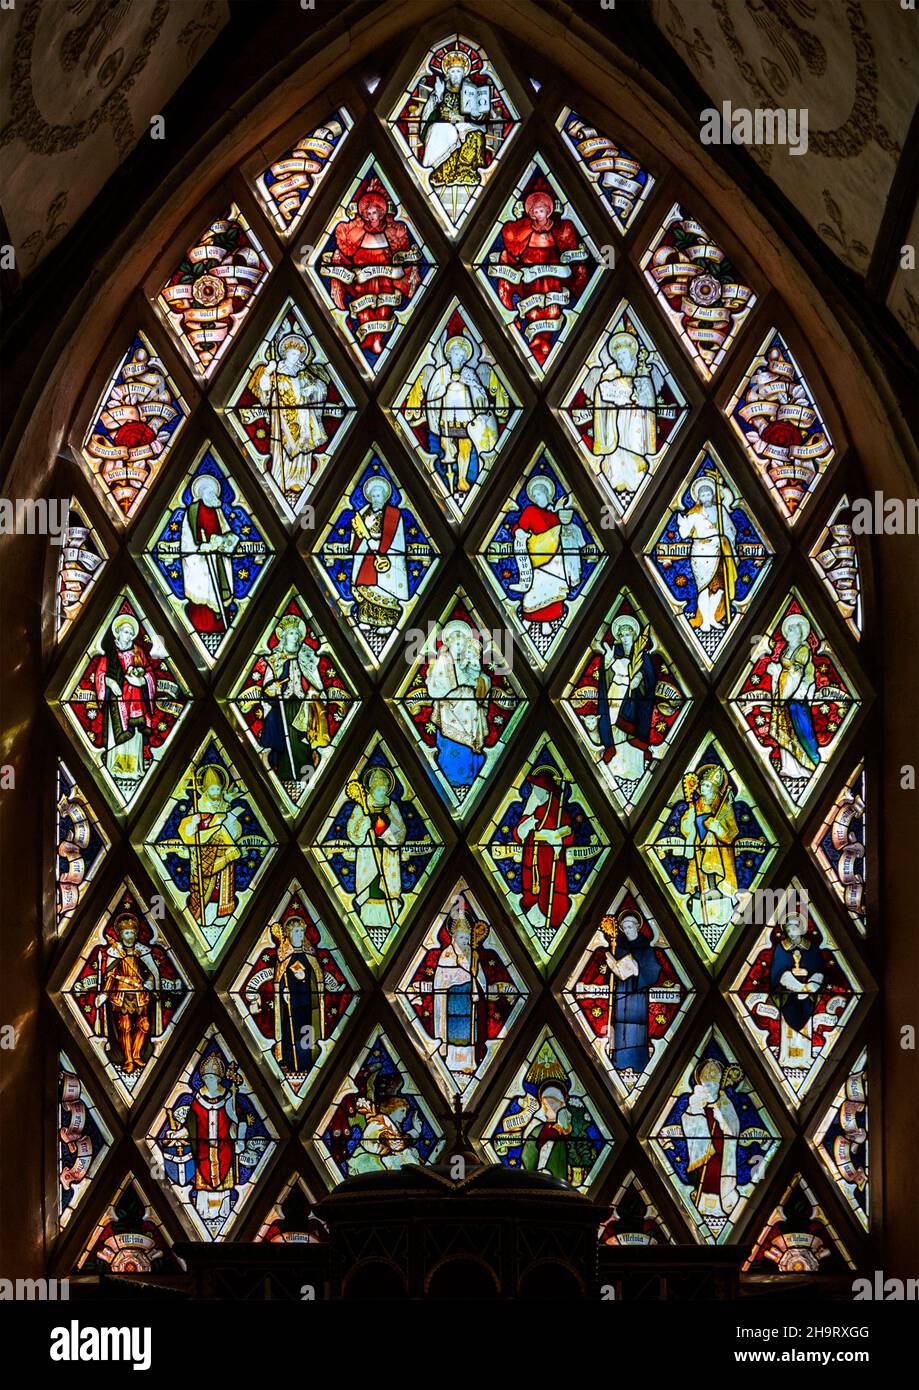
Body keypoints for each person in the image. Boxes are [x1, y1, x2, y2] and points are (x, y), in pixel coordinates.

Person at [492, 178, 589, 365]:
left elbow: (567, 248)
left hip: (553, 275)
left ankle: (546, 335)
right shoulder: (526, 229)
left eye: (542, 210)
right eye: (535, 212)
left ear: (549, 211)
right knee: (534, 307)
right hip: (531, 276)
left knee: (552, 305)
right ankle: (535, 334)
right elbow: (513, 244)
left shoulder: (559, 228)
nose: (539, 214)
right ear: (531, 213)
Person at [326, 177, 420, 358]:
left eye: (374, 213)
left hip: (385, 276)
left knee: (384, 302)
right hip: (363, 275)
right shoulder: (358, 231)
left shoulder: (391, 231)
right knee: (364, 306)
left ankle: (378, 337)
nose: (371, 217)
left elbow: (400, 250)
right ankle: (368, 336)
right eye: (367, 213)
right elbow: (348, 249)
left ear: (382, 212)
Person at [404, 329, 505, 497]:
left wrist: (470, 384)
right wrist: (444, 386)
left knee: (465, 449)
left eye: (462, 355)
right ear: (449, 355)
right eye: (456, 354)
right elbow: (432, 394)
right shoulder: (441, 372)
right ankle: (446, 482)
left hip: (467, 420)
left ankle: (462, 480)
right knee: (447, 449)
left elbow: (481, 393)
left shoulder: (469, 373)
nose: (460, 358)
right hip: (446, 419)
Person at [240, 614, 333, 783]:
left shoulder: (307, 657)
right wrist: (272, 689)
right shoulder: (275, 659)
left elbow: (315, 682)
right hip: (280, 709)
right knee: (284, 741)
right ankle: (285, 775)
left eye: (297, 633)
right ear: (283, 636)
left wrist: (314, 693)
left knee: (302, 743)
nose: (295, 636)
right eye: (291, 633)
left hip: (302, 708)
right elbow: (267, 686)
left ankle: (306, 778)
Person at [244, 330, 330, 502]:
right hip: (281, 420)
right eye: (292, 353)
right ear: (285, 353)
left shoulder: (304, 372)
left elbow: (321, 388)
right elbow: (264, 388)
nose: (295, 357)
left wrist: (313, 389)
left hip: (304, 421)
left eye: (298, 354)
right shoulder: (277, 370)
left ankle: (300, 481)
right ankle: (281, 481)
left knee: (303, 452)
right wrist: (268, 372)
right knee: (281, 449)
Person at [88, 911, 163, 1076]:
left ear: (136, 934)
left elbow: (151, 971)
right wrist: (104, 994)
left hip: (140, 995)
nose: (129, 936)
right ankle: (128, 1059)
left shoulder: (142, 951)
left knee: (144, 1026)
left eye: (132, 932)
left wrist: (150, 982)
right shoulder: (115, 952)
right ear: (121, 935)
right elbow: (109, 975)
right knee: (125, 1027)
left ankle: (137, 1055)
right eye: (126, 933)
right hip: (121, 995)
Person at [508, 475, 583, 637]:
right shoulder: (530, 511)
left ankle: (548, 622)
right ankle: (529, 617)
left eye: (540, 494)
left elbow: (562, 530)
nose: (537, 498)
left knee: (554, 587)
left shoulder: (555, 514)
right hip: (537, 554)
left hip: (556, 557)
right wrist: (519, 532)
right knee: (535, 586)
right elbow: (518, 527)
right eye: (534, 496)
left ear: (548, 495)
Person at [424, 618, 491, 789]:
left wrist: (479, 682)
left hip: (470, 715)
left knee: (468, 750)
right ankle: (451, 780)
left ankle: (469, 779)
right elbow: (436, 687)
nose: (460, 648)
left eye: (463, 644)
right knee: (451, 748)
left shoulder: (470, 660)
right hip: (449, 713)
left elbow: (482, 679)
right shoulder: (444, 661)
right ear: (449, 643)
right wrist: (462, 680)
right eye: (457, 644)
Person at [269, 916, 339, 1075]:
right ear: (288, 933)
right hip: (290, 1004)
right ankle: (289, 1062)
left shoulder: (310, 955)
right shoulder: (283, 956)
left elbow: (317, 978)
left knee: (307, 1032)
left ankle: (307, 1062)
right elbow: (279, 979)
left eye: (301, 931)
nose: (300, 934)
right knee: (289, 1031)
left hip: (307, 1002)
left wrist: (306, 978)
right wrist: (282, 991)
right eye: (296, 931)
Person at [590, 330, 658, 494]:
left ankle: (635, 481)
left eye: (624, 354)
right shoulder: (609, 374)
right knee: (618, 451)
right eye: (618, 355)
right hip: (617, 419)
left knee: (634, 446)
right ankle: (617, 479)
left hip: (636, 421)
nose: (621, 358)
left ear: (632, 355)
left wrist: (639, 387)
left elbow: (648, 401)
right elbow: (601, 394)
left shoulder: (642, 374)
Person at [95, 613, 158, 784]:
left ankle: (133, 770)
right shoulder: (109, 653)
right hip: (117, 704)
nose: (128, 636)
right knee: (118, 736)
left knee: (135, 736)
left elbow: (150, 674)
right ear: (117, 632)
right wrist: (109, 682)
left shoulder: (139, 653)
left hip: (136, 703)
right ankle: (115, 768)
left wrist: (142, 680)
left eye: (131, 633)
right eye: (125, 631)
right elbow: (100, 674)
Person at [177, 764, 242, 927]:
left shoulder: (225, 806)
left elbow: (234, 831)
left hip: (223, 851)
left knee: (221, 888)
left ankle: (221, 915)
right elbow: (187, 833)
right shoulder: (198, 808)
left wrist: (230, 821)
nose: (216, 793)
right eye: (212, 790)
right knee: (203, 887)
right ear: (205, 791)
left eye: (218, 789)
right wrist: (194, 822)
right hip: (203, 854)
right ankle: (201, 915)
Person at [599, 910, 662, 1079]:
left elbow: (654, 971)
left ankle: (637, 1063)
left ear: (637, 927)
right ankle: (619, 1063)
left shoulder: (646, 948)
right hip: (620, 995)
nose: (627, 930)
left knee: (636, 1030)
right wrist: (611, 970)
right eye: (624, 927)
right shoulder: (618, 947)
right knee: (620, 1028)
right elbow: (610, 974)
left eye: (630, 926)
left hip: (638, 997)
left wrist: (637, 969)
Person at [419, 49, 492, 192]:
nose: (456, 75)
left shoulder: (470, 90)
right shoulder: (441, 89)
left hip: (465, 124)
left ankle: (465, 172)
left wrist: (476, 114)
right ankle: (438, 172)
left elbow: (480, 117)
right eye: (453, 72)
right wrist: (438, 96)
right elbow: (428, 111)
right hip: (445, 123)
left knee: (475, 136)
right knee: (440, 131)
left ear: (464, 73)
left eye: (459, 71)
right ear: (447, 73)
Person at [514, 764, 574, 938]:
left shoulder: (557, 807)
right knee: (531, 887)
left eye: (537, 788)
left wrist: (555, 836)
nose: (534, 791)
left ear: (546, 791)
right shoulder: (532, 805)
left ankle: (549, 918)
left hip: (550, 858)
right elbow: (518, 832)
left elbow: (568, 831)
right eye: (533, 788)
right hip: (531, 858)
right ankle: (533, 913)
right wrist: (525, 826)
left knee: (550, 888)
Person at [346, 767, 406, 934]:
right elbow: (353, 833)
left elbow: (401, 831)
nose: (382, 792)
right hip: (368, 856)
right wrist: (365, 824)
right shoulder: (362, 806)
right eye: (378, 789)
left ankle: (389, 920)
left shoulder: (391, 806)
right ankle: (369, 921)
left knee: (387, 887)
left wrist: (387, 833)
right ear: (371, 789)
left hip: (388, 855)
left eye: (384, 789)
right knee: (372, 887)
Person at [676, 472, 737, 633]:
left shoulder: (720, 510)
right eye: (702, 493)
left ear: (713, 494)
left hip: (719, 550)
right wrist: (682, 523)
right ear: (698, 497)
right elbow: (684, 534)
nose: (706, 495)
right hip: (701, 553)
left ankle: (713, 619)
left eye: (708, 492)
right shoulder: (694, 513)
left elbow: (731, 530)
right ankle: (704, 621)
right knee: (703, 588)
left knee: (719, 588)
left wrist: (725, 538)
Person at [179, 473, 238, 636]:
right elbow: (186, 538)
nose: (213, 496)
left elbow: (227, 531)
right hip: (200, 559)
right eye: (209, 493)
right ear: (202, 493)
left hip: (218, 557)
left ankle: (220, 626)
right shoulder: (192, 511)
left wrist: (224, 541)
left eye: (214, 493)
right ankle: (200, 627)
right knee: (203, 590)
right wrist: (200, 547)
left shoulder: (217, 510)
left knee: (219, 587)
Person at [349, 475, 408, 633]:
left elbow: (398, 538)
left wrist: (381, 547)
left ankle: (387, 622)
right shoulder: (364, 514)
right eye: (373, 496)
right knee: (365, 584)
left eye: (378, 495)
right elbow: (357, 535)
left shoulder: (393, 516)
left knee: (385, 588)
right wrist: (364, 542)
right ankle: (365, 620)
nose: (375, 498)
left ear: (384, 497)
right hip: (367, 554)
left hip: (387, 556)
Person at [765, 613, 820, 782]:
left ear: (800, 632)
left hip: (794, 695)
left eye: (794, 629)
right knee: (785, 729)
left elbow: (797, 673)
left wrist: (780, 678)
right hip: (783, 692)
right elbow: (786, 670)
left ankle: (807, 766)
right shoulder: (787, 648)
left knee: (800, 729)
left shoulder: (803, 649)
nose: (790, 631)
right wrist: (776, 673)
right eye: (789, 629)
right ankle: (788, 767)